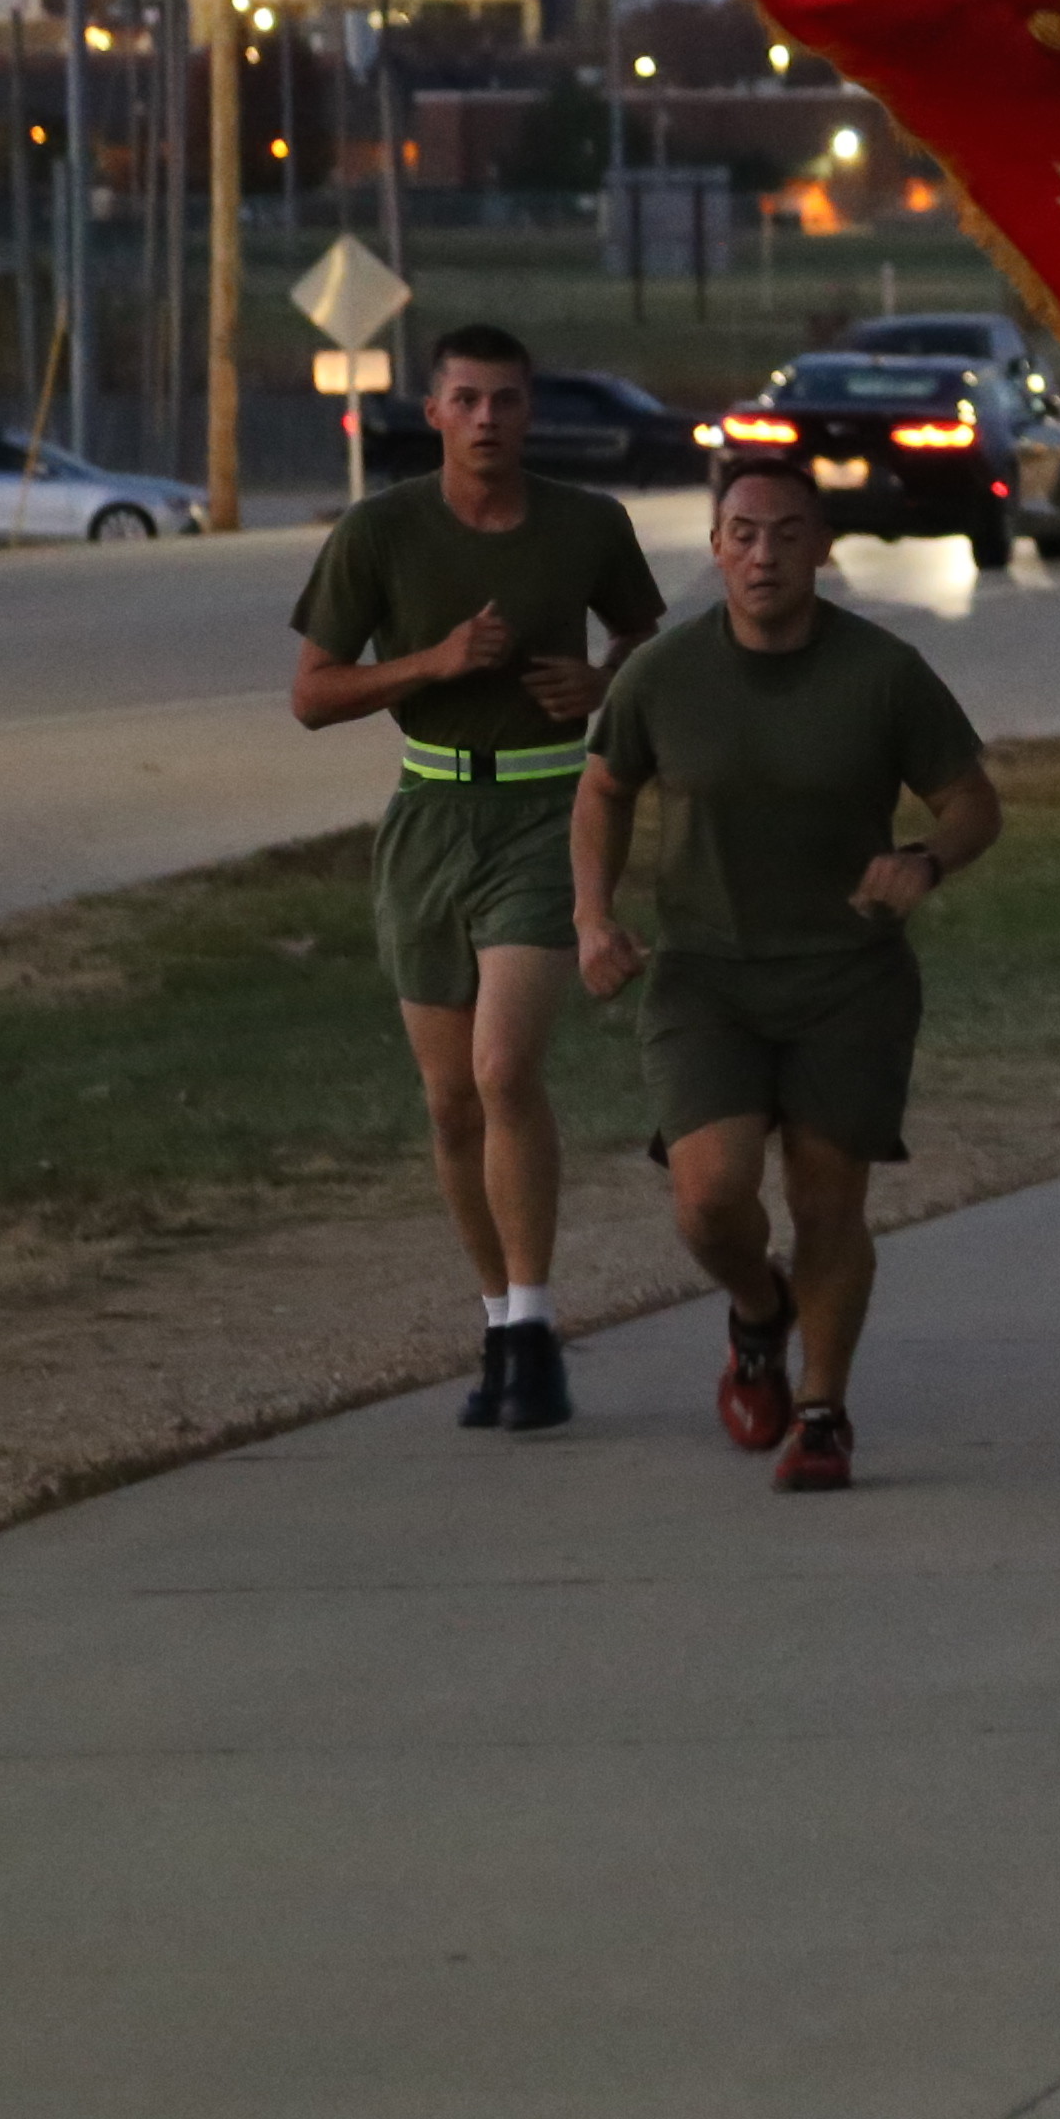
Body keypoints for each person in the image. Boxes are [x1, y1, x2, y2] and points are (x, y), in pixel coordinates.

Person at [576, 454, 1000, 1493]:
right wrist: (592, 914)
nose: (766, 554)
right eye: (745, 534)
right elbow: (602, 792)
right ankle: (759, 1313)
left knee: (826, 1204)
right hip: (705, 978)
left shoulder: (882, 673)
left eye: (788, 534)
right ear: (717, 548)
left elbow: (971, 803)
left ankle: (822, 1412)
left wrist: (924, 861)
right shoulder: (663, 676)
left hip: (846, 978)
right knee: (710, 1201)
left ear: (821, 548)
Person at [288, 319, 665, 1435]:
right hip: (429, 812)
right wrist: (437, 662)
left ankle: (539, 1330)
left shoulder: (587, 524)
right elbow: (313, 693)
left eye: (507, 399)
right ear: (434, 411)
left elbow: (651, 636)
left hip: (549, 813)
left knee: (506, 1071)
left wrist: (601, 682)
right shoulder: (381, 531)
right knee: (451, 1101)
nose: (488, 419)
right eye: (467, 400)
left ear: (529, 409)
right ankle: (498, 1320)